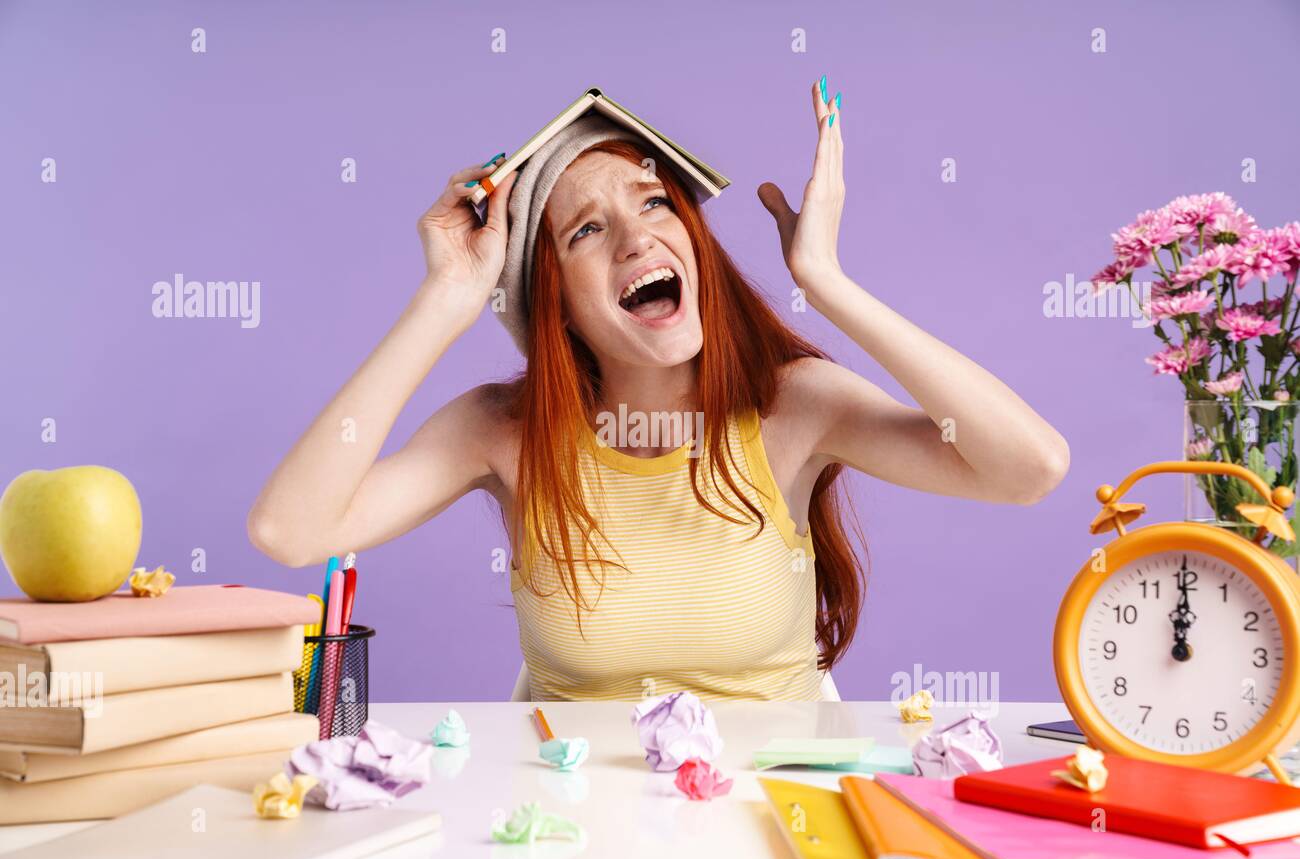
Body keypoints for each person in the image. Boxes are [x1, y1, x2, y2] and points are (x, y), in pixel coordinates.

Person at [248, 78, 1069, 701]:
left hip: (768, 822)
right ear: (554, 302)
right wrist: (448, 298)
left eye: (654, 202)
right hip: (573, 834)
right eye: (588, 228)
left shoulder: (794, 406)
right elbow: (290, 528)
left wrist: (825, 282)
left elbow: (1029, 467)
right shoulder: (502, 430)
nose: (639, 234)